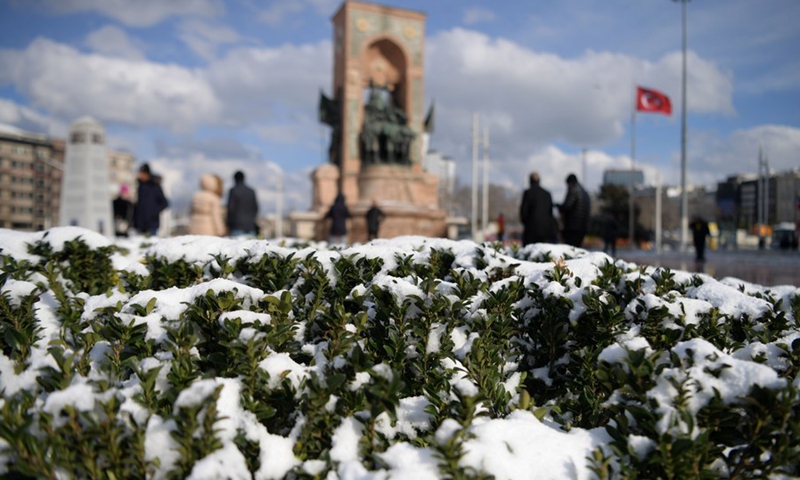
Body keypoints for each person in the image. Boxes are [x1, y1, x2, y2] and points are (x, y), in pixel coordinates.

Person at [519, 172, 557, 246]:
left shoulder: (527, 193)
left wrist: (526, 223)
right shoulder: (547, 194)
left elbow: (523, 212)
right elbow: (550, 213)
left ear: (530, 181)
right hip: (546, 231)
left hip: (531, 230)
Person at [133, 163, 168, 236]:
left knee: (152, 245)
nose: (140, 175)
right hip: (141, 225)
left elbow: (164, 203)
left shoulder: (155, 185)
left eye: (142, 173)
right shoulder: (140, 186)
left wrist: (153, 212)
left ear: (147, 173)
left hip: (152, 224)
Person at [558, 173, 591, 248]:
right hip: (583, 226)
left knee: (570, 249)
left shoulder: (573, 190)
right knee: (577, 249)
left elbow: (567, 206)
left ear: (569, 182)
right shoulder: (585, 192)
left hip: (572, 226)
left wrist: (559, 207)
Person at [226, 171, 259, 236]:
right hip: (250, 225)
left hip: (237, 225)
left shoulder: (233, 190)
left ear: (234, 179)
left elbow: (231, 208)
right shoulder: (251, 191)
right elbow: (256, 208)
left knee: (237, 245)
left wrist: (228, 223)